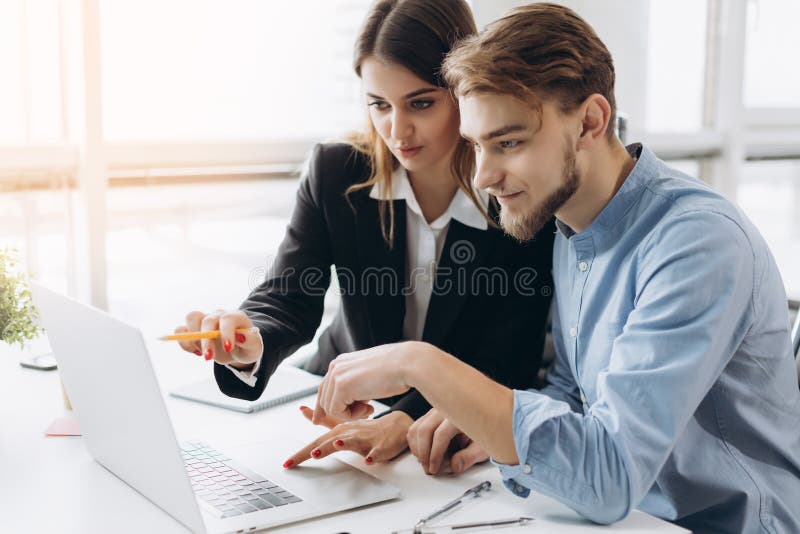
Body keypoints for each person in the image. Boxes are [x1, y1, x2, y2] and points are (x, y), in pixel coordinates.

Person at [310, 3, 800, 532]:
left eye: (510, 142)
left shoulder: (697, 243)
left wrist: (422, 365)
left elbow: (608, 474)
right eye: (477, 145)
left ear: (590, 120)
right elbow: (574, 393)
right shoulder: (571, 225)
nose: (484, 177)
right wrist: (485, 424)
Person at [173, 0, 554, 473]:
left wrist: (402, 418)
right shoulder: (337, 173)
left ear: (463, 90)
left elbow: (509, 359)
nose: (397, 130)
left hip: (442, 436)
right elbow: (289, 296)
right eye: (379, 105)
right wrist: (250, 341)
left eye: (420, 103)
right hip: (331, 408)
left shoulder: (515, 197)